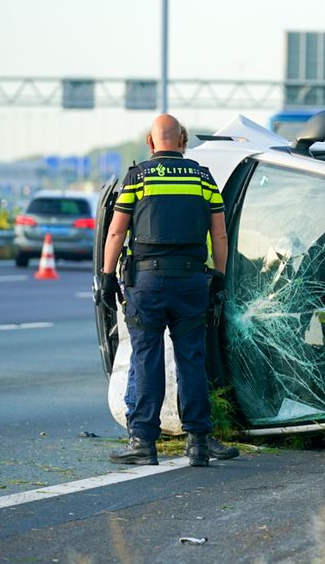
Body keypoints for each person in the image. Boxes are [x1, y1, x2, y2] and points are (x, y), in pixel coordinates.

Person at [99, 114, 230, 467]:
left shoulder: (137, 178)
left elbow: (115, 232)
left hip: (147, 284)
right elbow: (219, 234)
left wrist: (107, 276)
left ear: (151, 143)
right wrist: (218, 276)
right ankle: (199, 443)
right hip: (190, 283)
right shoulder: (203, 178)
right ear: (183, 141)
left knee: (147, 360)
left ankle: (143, 441)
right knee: (192, 360)